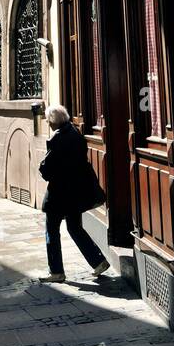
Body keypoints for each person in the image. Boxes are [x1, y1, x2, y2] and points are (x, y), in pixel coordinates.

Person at [39, 104, 111, 283]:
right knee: (74, 227)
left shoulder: (58, 139)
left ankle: (56, 271)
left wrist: (44, 168)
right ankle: (98, 261)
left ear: (54, 121)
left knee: (51, 229)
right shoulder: (75, 133)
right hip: (75, 191)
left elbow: (46, 169)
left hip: (59, 193)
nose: (48, 123)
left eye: (48, 121)